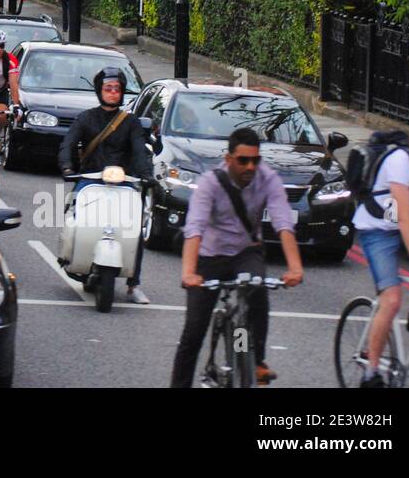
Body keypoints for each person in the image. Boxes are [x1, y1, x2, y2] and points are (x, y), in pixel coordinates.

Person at [169, 127, 304, 387]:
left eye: (255, 160)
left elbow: (283, 223)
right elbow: (195, 228)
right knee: (194, 330)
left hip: (245, 252)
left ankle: (254, 362)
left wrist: (295, 267)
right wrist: (189, 273)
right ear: (229, 159)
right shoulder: (210, 183)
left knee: (256, 295)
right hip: (209, 256)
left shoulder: (268, 179)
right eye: (243, 160)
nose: (250, 167)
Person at [352, 110, 409, 388]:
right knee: (391, 300)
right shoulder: (402, 161)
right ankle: (371, 372)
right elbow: (402, 218)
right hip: (377, 228)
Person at [58, 66, 152, 305]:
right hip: (90, 180)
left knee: (135, 228)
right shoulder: (85, 118)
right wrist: (67, 168)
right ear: (100, 91)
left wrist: (146, 174)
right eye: (108, 88)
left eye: (117, 89)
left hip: (123, 183)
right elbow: (68, 143)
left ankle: (133, 285)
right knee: (75, 214)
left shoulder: (131, 122)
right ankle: (70, 254)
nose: (112, 92)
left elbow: (139, 150)